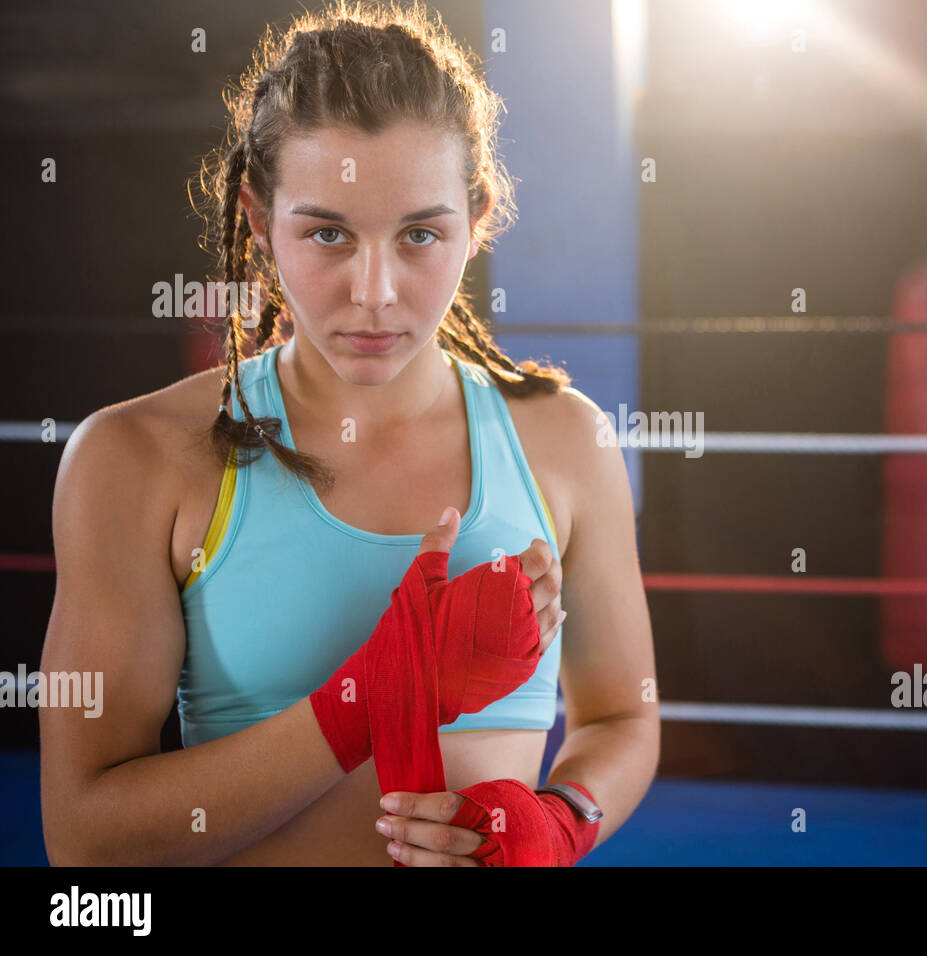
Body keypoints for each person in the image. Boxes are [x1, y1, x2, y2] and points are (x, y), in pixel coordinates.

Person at [39, 0, 658, 866]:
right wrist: (372, 696)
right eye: (328, 232)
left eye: (420, 236)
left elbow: (622, 715)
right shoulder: (138, 457)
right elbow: (84, 842)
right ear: (258, 221)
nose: (375, 292)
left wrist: (562, 818)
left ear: (476, 219)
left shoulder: (563, 443)